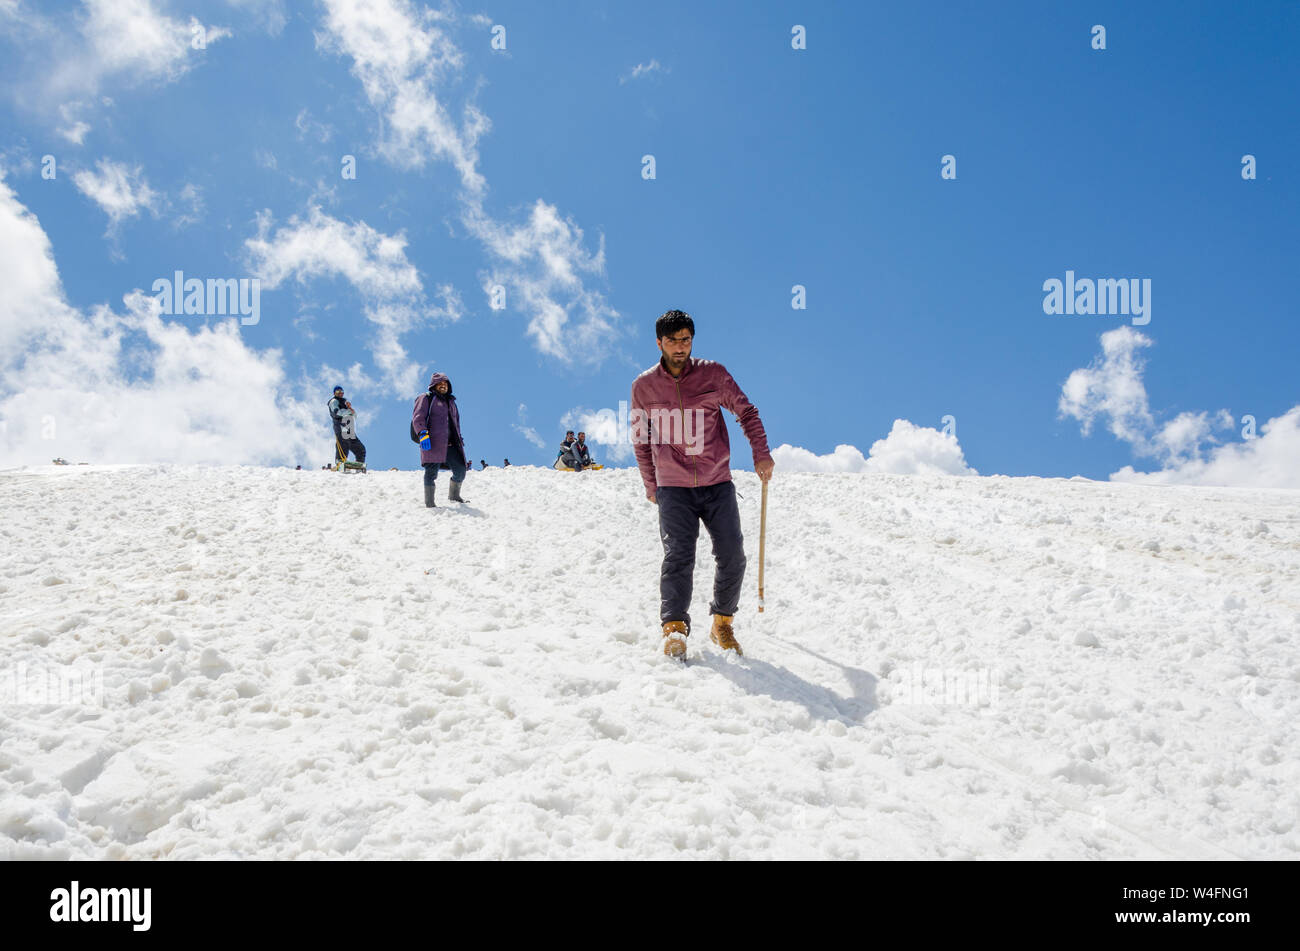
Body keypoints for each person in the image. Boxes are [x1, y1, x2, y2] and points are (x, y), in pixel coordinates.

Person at [630, 309, 774, 659]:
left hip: (716, 481)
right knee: (679, 556)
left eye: (686, 340)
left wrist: (761, 453)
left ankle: (722, 622)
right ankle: (674, 628)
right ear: (658, 343)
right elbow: (641, 439)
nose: (680, 347)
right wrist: (652, 485)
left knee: (732, 555)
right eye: (673, 341)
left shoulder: (713, 374)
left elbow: (746, 412)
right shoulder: (643, 387)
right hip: (673, 486)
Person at [412, 372, 469, 506]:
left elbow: (456, 423)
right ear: (434, 385)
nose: (443, 386)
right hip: (432, 442)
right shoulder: (426, 398)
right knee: (431, 473)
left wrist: (459, 438)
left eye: (445, 383)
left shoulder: (452, 403)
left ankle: (454, 496)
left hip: (451, 445)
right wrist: (422, 433)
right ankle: (430, 503)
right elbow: (418, 417)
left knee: (461, 470)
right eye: (440, 383)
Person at [328, 386, 366, 467]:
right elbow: (336, 412)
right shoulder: (334, 401)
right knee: (343, 444)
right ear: (334, 393)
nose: (340, 393)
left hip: (349, 428)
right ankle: (340, 463)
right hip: (341, 427)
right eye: (338, 392)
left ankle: (359, 464)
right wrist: (349, 411)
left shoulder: (345, 402)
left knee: (360, 449)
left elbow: (354, 415)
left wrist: (350, 409)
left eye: (341, 392)